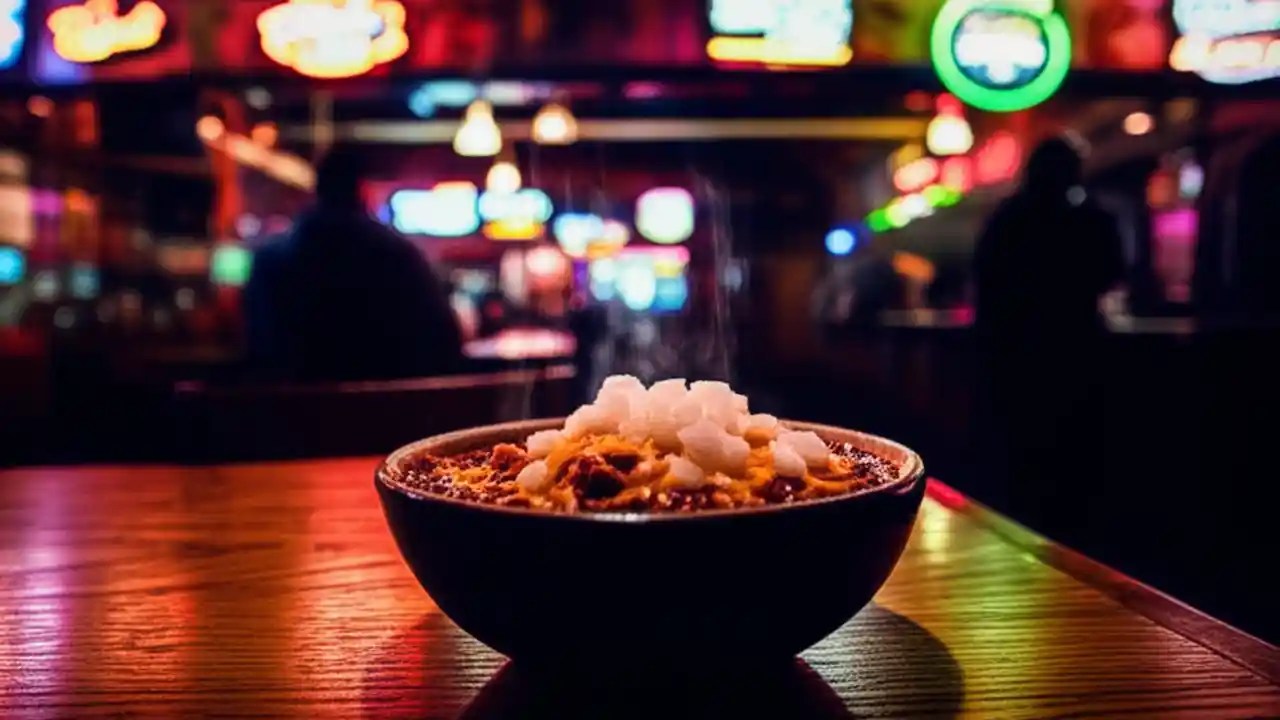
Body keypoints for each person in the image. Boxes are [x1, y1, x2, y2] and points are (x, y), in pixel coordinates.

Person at [971, 136, 1124, 529]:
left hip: (1016, 355)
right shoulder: (1091, 219)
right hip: (1077, 351)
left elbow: (986, 280)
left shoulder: (1007, 218)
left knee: (1020, 458)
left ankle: (1019, 525)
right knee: (1073, 459)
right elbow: (1113, 272)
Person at [245, 145, 463, 382]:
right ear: (363, 190)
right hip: (388, 411)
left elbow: (257, 344)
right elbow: (445, 341)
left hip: (290, 413)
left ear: (315, 190)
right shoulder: (398, 256)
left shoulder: (271, 258)